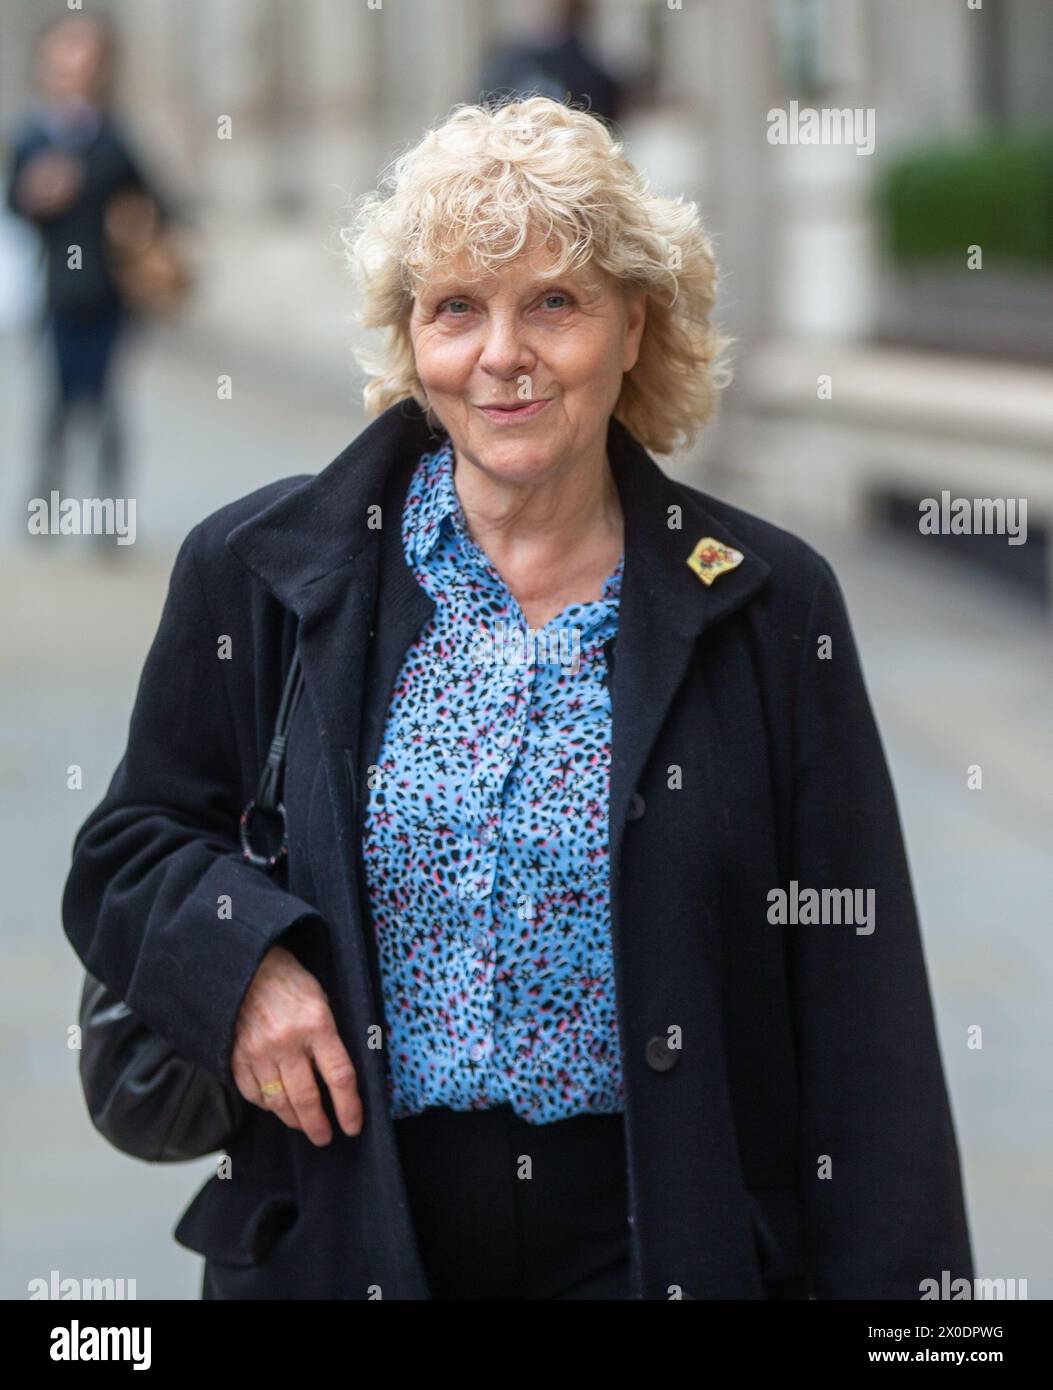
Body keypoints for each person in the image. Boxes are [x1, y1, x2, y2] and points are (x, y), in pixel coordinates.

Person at [61, 96, 973, 1300]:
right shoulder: (264, 570)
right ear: (410, 340)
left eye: (553, 301)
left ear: (635, 325)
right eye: (456, 309)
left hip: (659, 1242)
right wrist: (245, 968)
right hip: (347, 1227)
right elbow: (128, 848)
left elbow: (866, 1027)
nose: (503, 353)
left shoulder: (767, 605)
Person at [5, 12, 171, 509]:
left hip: (109, 290)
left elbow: (158, 203)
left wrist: (135, 220)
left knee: (106, 400)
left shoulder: (114, 138)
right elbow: (14, 202)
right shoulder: (30, 137)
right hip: (56, 289)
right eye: (64, 54)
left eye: (83, 56)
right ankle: (48, 494)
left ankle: (108, 508)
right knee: (57, 396)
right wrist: (35, 196)